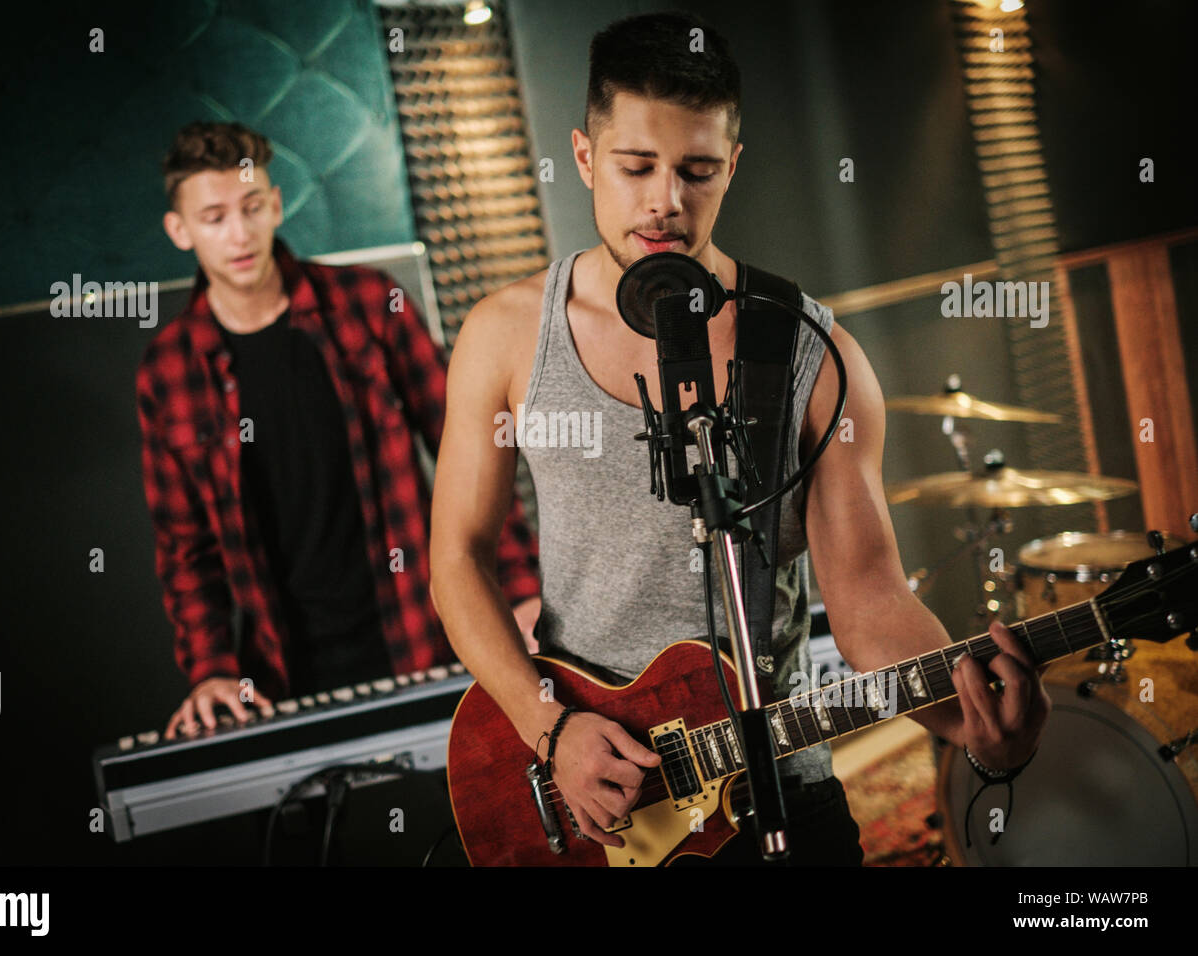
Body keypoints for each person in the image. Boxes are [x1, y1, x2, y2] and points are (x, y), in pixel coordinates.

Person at [429, 13, 1049, 865]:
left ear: (733, 166)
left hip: (777, 791)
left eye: (698, 170)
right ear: (583, 157)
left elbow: (869, 603)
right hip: (591, 795)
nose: (666, 201)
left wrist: (977, 731)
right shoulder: (503, 335)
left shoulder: (810, 354)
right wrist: (550, 727)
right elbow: (455, 559)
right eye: (636, 166)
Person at [138, 121, 541, 740]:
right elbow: (184, 546)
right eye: (214, 217)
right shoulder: (169, 368)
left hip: (428, 634)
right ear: (179, 230)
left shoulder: (369, 302)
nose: (240, 233)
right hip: (281, 675)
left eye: (252, 207)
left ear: (276, 204)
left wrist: (518, 588)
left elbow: (471, 449)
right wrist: (211, 670)